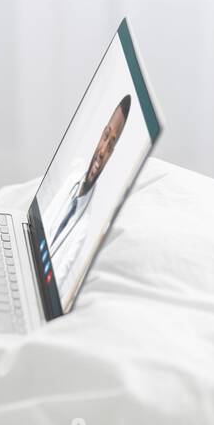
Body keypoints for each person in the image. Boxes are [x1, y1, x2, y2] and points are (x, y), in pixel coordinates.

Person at [46, 95, 132, 285]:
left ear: (112, 154)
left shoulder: (84, 228)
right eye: (105, 137)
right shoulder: (70, 181)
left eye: (110, 145)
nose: (102, 151)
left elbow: (58, 280)